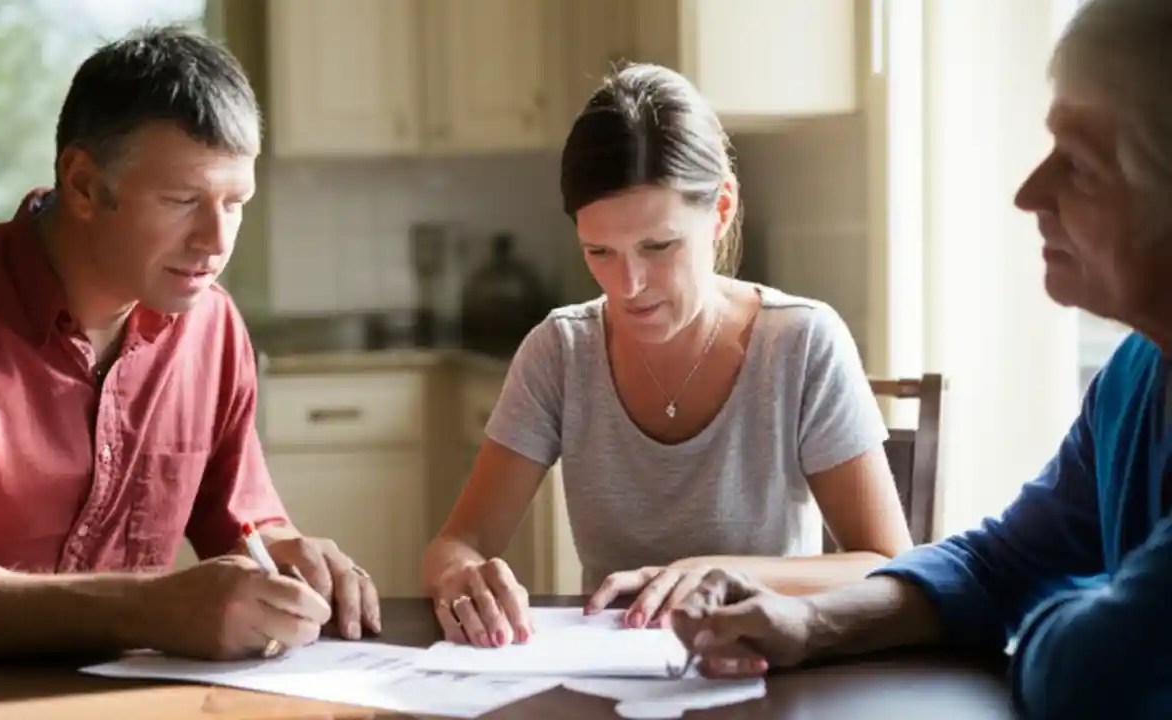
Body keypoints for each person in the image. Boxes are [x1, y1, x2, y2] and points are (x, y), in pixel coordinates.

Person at [669, 0, 1172, 718]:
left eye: (1081, 165)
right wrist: (808, 621)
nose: (1030, 193)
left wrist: (1075, 619)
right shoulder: (1134, 375)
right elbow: (1000, 564)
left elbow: (1092, 675)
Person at [0, 26, 380, 665]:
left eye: (236, 203)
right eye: (183, 201)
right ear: (85, 185)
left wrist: (290, 559)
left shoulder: (213, 327)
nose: (215, 240)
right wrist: (149, 606)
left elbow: (244, 526)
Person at [420, 62, 913, 648]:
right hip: (610, 679)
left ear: (721, 209)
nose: (627, 285)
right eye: (599, 251)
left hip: (763, 677)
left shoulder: (803, 343)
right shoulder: (561, 350)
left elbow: (885, 566)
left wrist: (725, 574)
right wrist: (462, 575)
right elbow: (458, 543)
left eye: (658, 246)